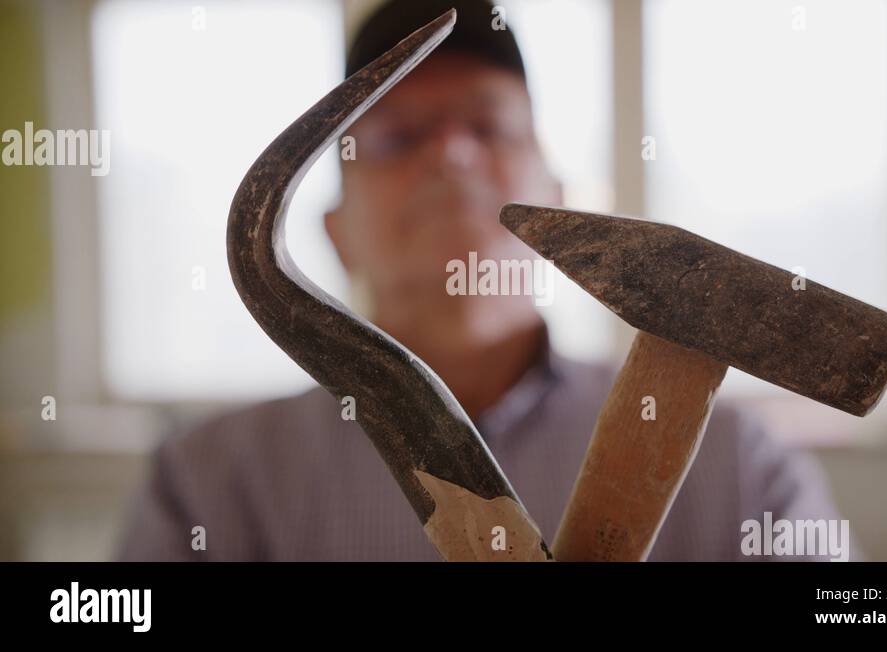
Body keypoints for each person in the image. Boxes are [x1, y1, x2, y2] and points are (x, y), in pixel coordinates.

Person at [117, 0, 847, 562]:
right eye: (400, 137)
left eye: (490, 127)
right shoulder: (208, 484)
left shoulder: (744, 467)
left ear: (557, 193)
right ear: (335, 233)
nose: (452, 158)